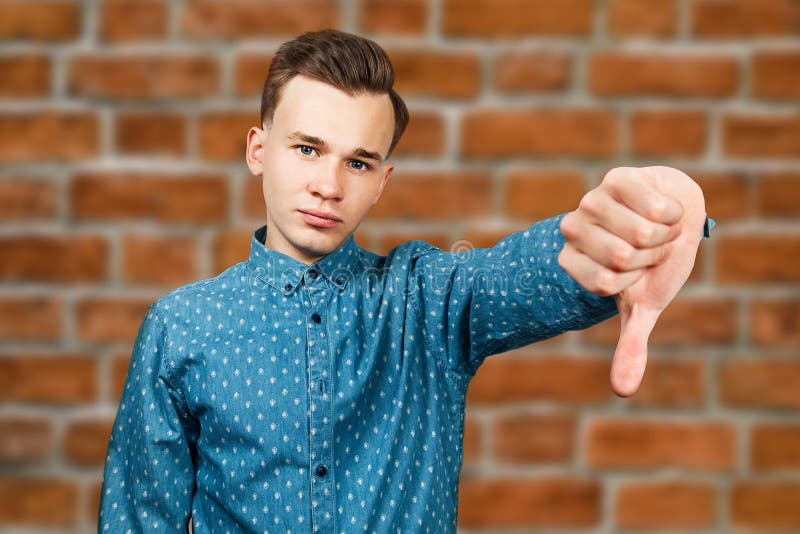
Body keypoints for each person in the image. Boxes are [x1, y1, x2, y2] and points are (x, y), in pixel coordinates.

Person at [97, 28, 714, 533]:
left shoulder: (428, 301)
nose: (329, 186)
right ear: (259, 149)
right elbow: (136, 519)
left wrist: (642, 222)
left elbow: (519, 274)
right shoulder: (181, 326)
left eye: (358, 162)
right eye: (307, 149)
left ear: (382, 180)